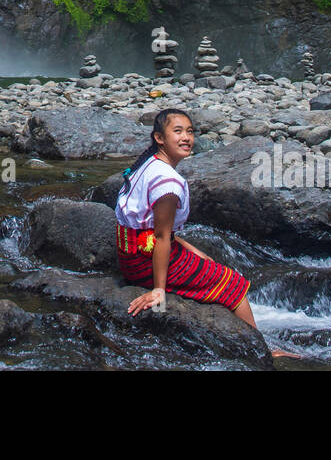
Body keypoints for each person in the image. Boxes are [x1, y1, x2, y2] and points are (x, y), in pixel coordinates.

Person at [115, 107, 294, 358]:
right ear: (159, 138)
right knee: (233, 283)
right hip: (144, 259)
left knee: (205, 259)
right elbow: (162, 236)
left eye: (189, 131)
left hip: (131, 252)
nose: (186, 138)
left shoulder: (148, 164)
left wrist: (189, 247)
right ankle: (261, 350)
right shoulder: (167, 182)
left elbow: (154, 227)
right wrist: (158, 289)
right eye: (177, 131)